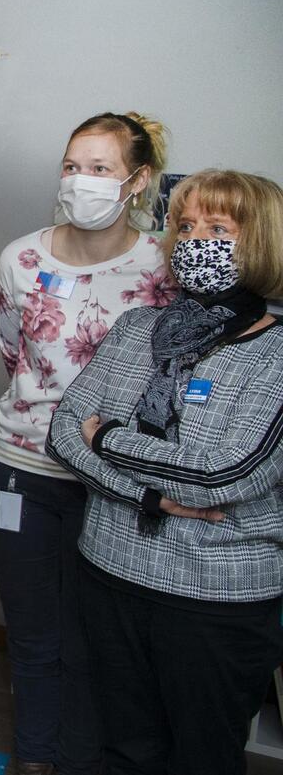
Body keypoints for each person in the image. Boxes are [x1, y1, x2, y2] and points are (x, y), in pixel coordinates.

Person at [47, 169, 283, 775]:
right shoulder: (136, 329)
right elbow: (63, 433)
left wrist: (111, 437)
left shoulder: (275, 353)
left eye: (217, 227)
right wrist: (150, 498)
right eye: (184, 225)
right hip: (110, 573)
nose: (194, 239)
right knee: (124, 749)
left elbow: (223, 474)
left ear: (260, 242)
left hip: (213, 598)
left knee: (203, 758)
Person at [0, 111, 172, 775]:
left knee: (97, 640)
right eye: (72, 166)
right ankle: (35, 757)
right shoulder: (21, 257)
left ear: (138, 180)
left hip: (113, 481)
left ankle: (83, 759)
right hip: (22, 469)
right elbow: (13, 350)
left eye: (100, 169)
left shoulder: (163, 266)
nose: (81, 180)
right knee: (34, 632)